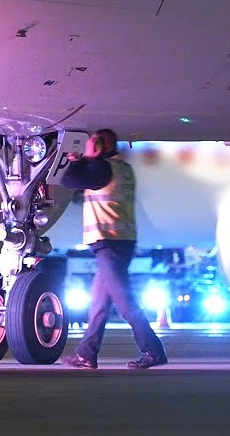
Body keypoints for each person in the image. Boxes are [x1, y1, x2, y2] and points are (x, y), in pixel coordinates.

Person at [58, 128, 167, 370]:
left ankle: (153, 350)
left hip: (109, 242)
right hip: (121, 240)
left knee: (125, 301)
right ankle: (86, 354)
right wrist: (86, 159)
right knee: (99, 304)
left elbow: (68, 180)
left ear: (99, 146)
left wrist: (79, 161)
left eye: (90, 144)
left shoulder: (102, 169)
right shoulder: (122, 168)